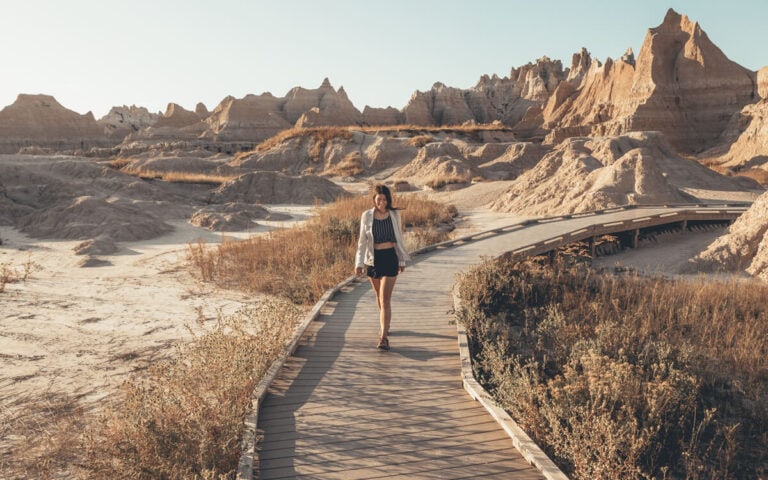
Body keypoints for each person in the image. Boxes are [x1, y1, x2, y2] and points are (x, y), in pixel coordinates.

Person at [354, 184, 410, 351]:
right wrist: (358, 263)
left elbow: (399, 238)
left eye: (385, 199)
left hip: (390, 258)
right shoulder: (367, 216)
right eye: (379, 199)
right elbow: (362, 241)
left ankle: (383, 337)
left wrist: (401, 260)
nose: (382, 202)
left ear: (388, 200)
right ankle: (385, 324)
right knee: (379, 297)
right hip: (373, 260)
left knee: (385, 299)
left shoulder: (394, 214)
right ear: (374, 200)